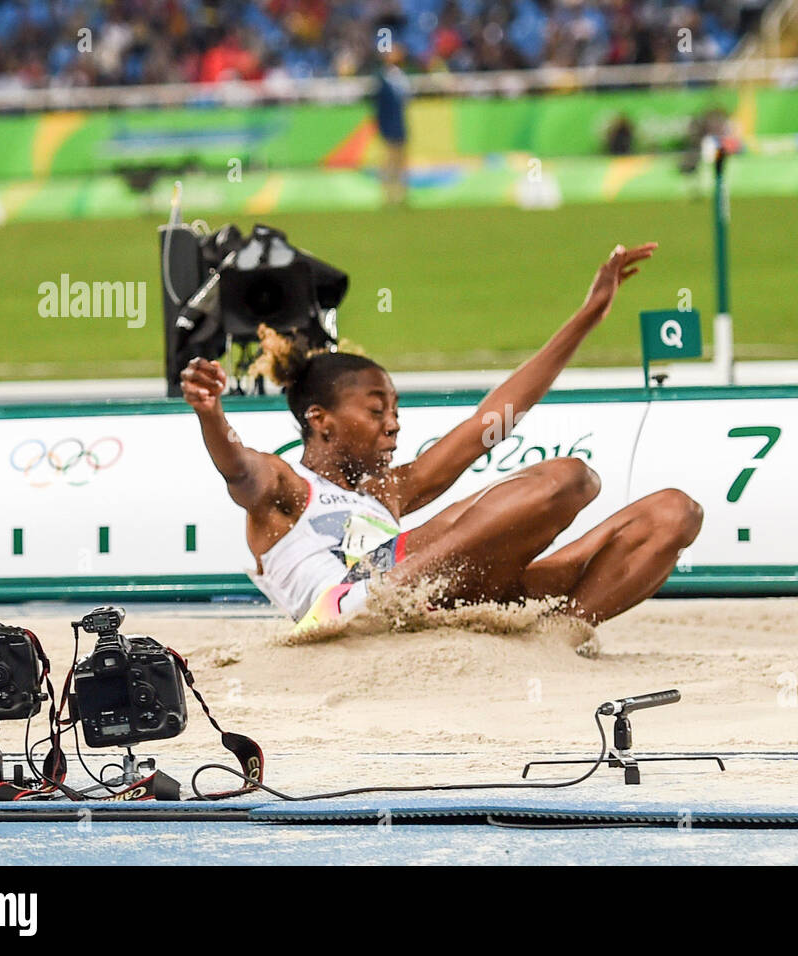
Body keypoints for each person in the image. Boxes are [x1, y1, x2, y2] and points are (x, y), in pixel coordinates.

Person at [180, 243, 703, 634]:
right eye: (376, 409)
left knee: (670, 512)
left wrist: (589, 316)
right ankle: (413, 588)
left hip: (436, 600)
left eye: (396, 410)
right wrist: (210, 413)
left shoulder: (389, 490)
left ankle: (562, 634)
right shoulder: (286, 486)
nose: (394, 423)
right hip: (346, 610)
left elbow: (494, 421)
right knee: (564, 477)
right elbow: (236, 468)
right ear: (322, 420)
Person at [372, 45, 410, 205]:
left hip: (400, 126)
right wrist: (382, 126)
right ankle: (388, 195)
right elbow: (379, 107)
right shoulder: (383, 79)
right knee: (389, 162)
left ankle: (400, 195)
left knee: (400, 162)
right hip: (389, 127)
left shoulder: (401, 78)